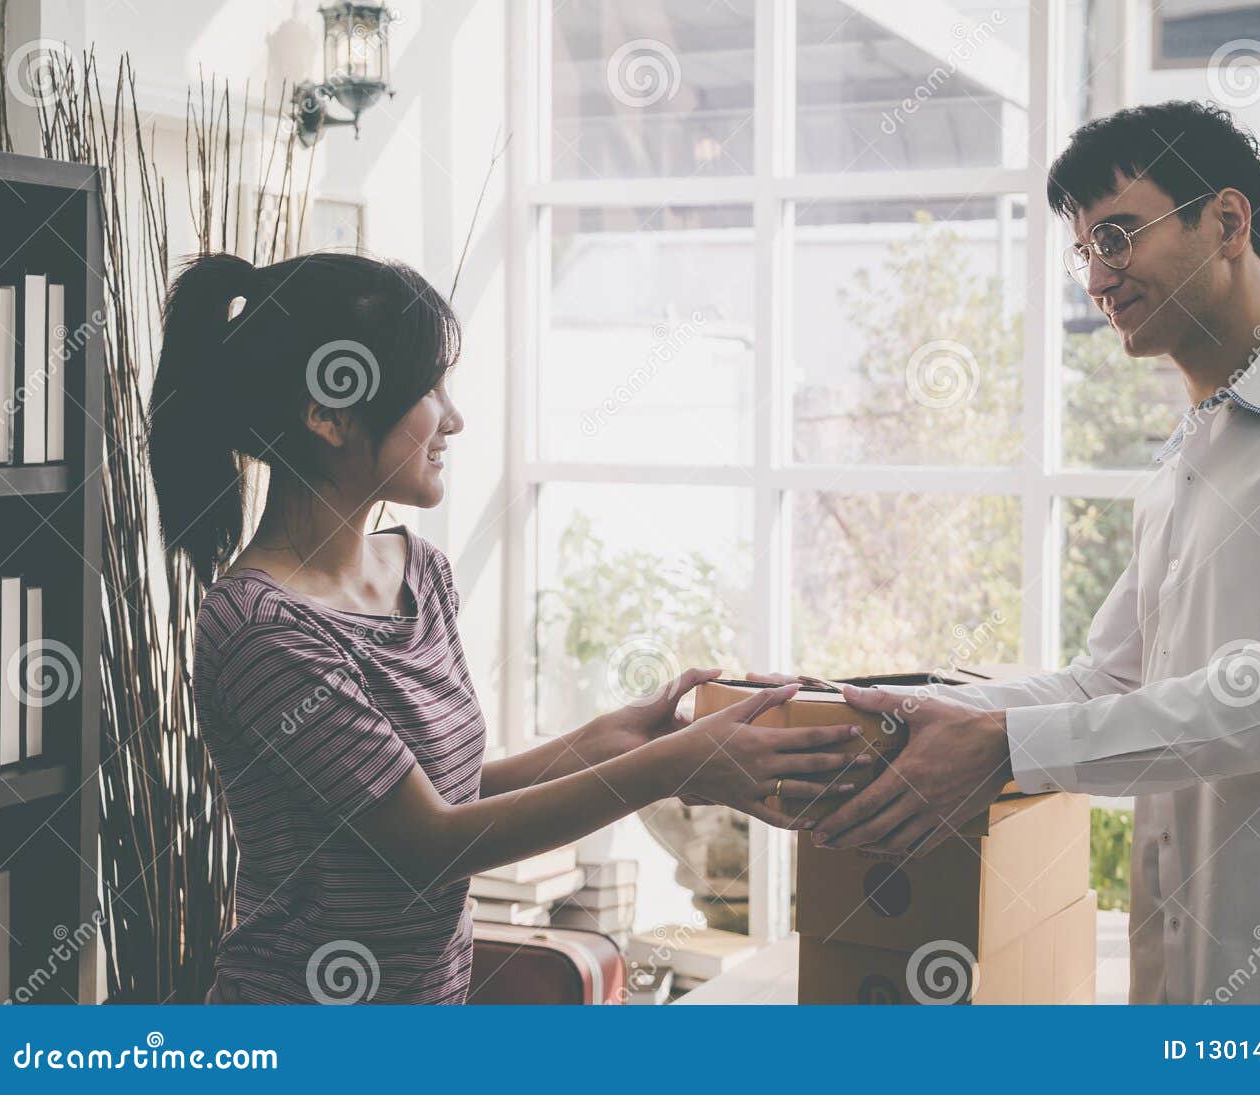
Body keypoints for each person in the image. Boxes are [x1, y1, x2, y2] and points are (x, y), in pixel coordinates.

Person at [804, 101, 1260, 1004]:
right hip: (1186, 982)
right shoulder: (1184, 465)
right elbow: (1104, 683)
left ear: (1227, 222)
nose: (1096, 277)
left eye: (1118, 236)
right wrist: (907, 712)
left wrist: (1004, 745)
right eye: (1084, 250)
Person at [147, 251, 867, 1003]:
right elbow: (424, 846)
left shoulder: (419, 574)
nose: (452, 417)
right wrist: (673, 769)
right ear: (328, 413)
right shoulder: (261, 629)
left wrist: (614, 739)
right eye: (426, 387)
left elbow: (444, 793)